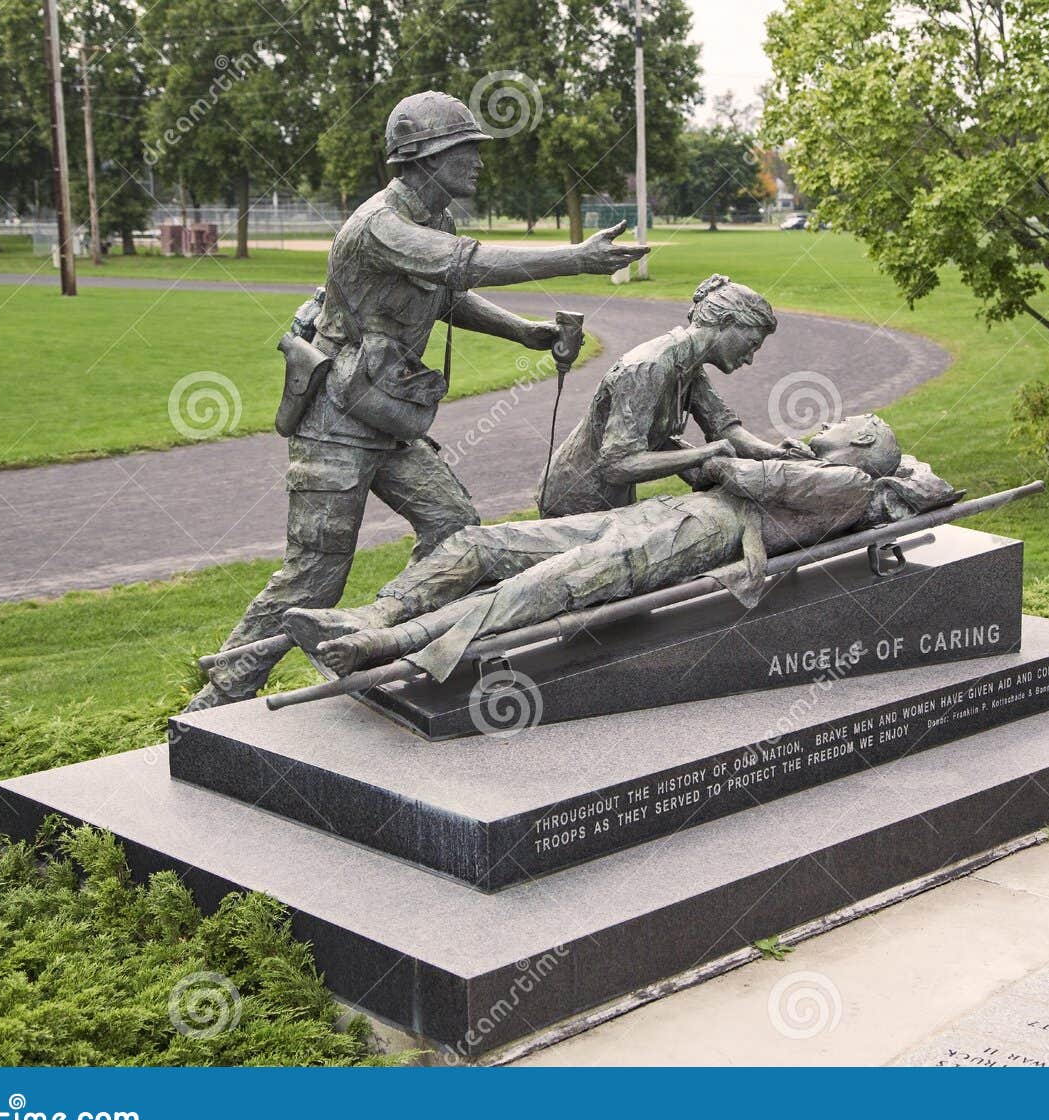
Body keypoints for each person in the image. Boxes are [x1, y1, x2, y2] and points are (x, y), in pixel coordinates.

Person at [189, 91, 648, 710]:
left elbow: (447, 294)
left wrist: (522, 332)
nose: (478, 161)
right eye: (465, 150)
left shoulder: (435, 220)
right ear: (425, 157)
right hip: (335, 423)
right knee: (315, 576)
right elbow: (466, 265)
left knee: (454, 529)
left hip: (387, 415)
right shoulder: (381, 225)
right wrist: (578, 258)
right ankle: (218, 698)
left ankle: (386, 640)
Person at [284, 415, 961, 681]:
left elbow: (745, 477)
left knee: (544, 585)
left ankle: (386, 645)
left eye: (842, 423)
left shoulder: (849, 483)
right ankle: (373, 614)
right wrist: (715, 456)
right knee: (482, 543)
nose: (827, 423)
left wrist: (721, 452)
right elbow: (724, 473)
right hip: (665, 516)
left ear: (863, 441)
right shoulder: (827, 473)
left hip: (693, 537)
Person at [534, 274, 813, 518]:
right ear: (727, 322)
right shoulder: (648, 368)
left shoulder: (689, 365)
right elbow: (617, 465)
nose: (750, 358)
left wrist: (773, 452)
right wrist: (704, 454)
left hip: (611, 499)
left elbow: (723, 428)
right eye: (751, 344)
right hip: (575, 500)